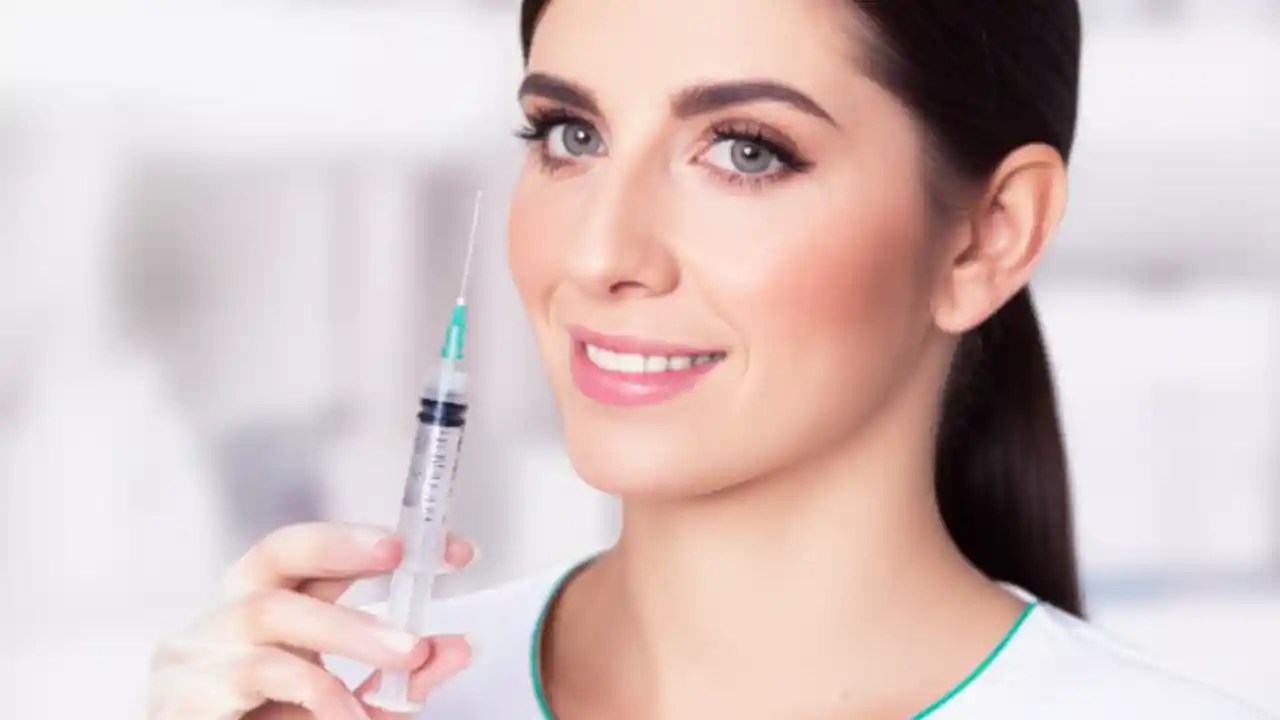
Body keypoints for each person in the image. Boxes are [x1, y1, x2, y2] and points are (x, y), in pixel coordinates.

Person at [148, 0, 1274, 718]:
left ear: (989, 235)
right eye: (569, 136)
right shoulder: (351, 698)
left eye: (744, 151)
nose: (597, 255)